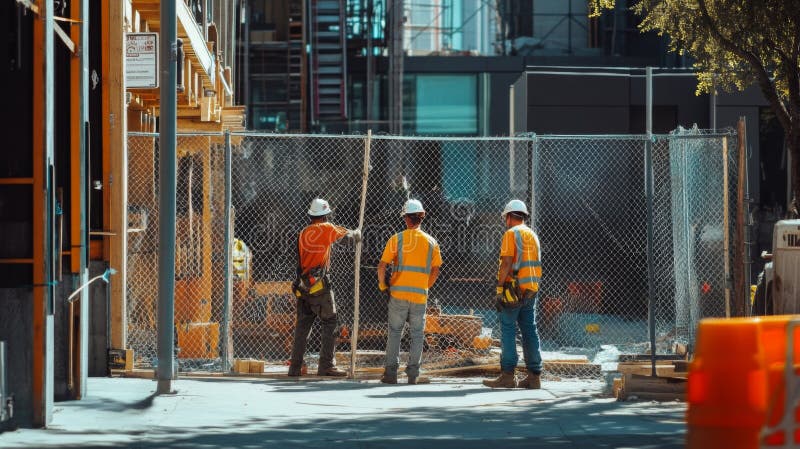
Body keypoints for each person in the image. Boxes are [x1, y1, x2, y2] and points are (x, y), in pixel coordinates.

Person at [289, 198, 361, 377]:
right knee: (330, 322)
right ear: (326, 215)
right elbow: (349, 238)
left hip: (303, 286)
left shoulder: (303, 232)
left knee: (303, 327)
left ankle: (295, 367)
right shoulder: (326, 228)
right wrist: (358, 232)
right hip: (319, 287)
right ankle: (326, 365)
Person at [377, 199, 442, 385]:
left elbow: (382, 266)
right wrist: (426, 285)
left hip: (398, 294)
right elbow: (436, 269)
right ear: (422, 217)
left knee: (395, 332)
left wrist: (383, 286)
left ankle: (391, 373)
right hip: (420, 295)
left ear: (406, 218)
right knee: (417, 334)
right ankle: (413, 374)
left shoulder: (396, 239)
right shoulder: (431, 242)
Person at [483, 199, 543, 389]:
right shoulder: (532, 235)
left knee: (508, 330)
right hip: (530, 290)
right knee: (529, 331)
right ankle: (534, 376)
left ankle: (508, 375)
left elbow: (507, 262)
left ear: (509, 217)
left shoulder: (511, 234)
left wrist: (500, 288)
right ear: (523, 216)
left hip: (512, 290)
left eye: (505, 218)